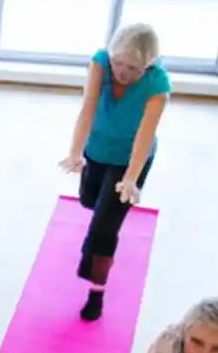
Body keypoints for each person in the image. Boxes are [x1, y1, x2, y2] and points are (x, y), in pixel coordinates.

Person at [60, 23, 170, 321]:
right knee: (88, 201)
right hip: (96, 149)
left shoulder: (157, 85)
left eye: (132, 67)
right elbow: (88, 108)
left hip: (128, 159)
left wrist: (131, 179)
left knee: (104, 229)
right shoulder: (100, 63)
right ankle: (98, 232)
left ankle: (96, 293)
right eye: (118, 63)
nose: (122, 71)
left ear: (148, 64)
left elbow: (145, 136)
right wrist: (74, 152)